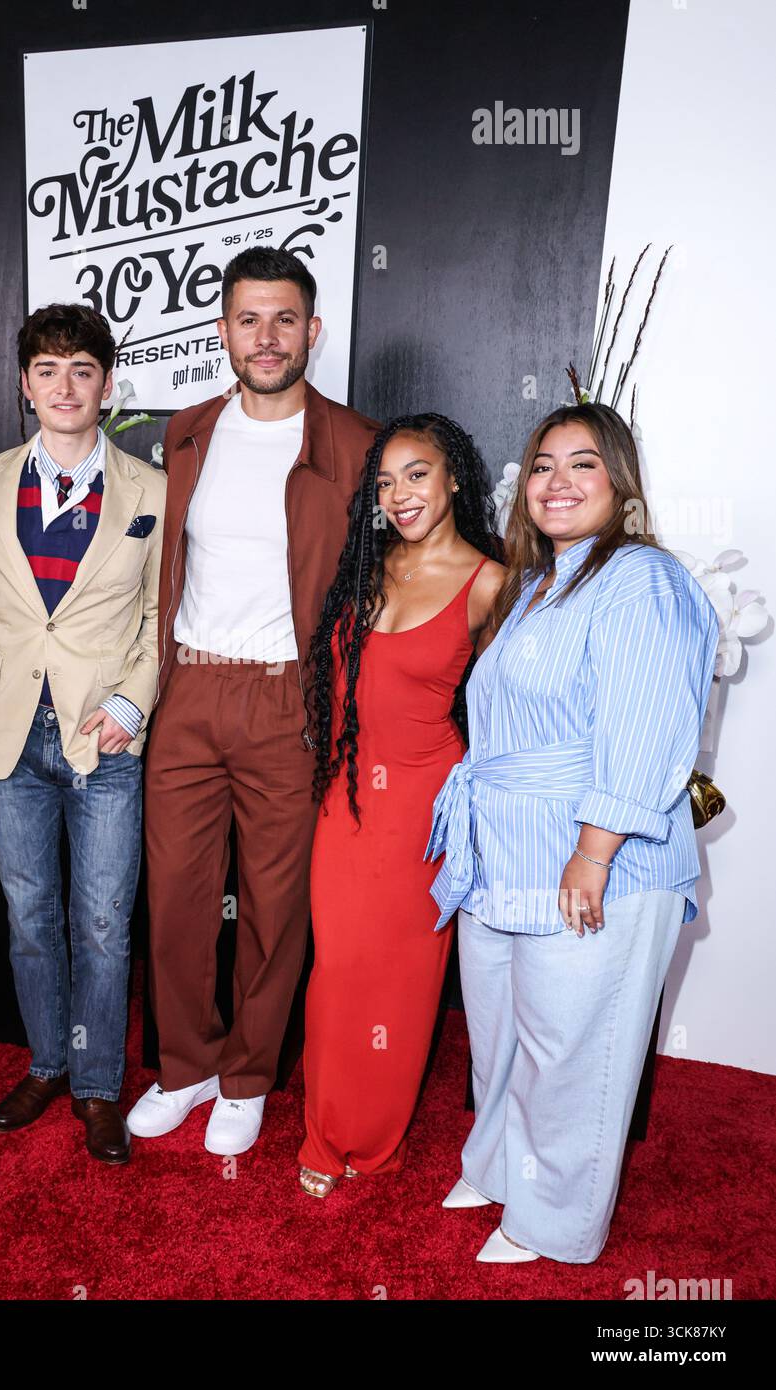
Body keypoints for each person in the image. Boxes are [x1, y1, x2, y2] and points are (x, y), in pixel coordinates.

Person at [426, 403, 719, 1263]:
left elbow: (645, 728)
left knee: (571, 1048)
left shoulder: (642, 579)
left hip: (595, 858)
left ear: (619, 484)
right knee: (503, 1033)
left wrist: (592, 854)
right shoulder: (536, 582)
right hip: (504, 852)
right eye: (542, 465)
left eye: (581, 464)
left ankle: (555, 1218)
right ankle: (497, 1166)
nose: (556, 482)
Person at [126, 247, 379, 1156]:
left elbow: (381, 589)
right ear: (221, 332)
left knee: (274, 905)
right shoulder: (185, 430)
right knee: (179, 898)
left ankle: (247, 1077)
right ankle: (184, 1066)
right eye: (247, 320)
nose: (265, 338)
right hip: (188, 690)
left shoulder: (355, 445)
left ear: (312, 331)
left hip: (286, 701)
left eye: (283, 321)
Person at [0, 304, 165, 1165]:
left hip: (105, 741)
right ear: (25, 385)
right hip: (9, 738)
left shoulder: (152, 492)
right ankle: (46, 1063)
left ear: (106, 384)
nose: (63, 385)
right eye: (46, 370)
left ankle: (95, 1088)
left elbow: (165, 613)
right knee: (28, 918)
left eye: (81, 370)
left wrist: (133, 704)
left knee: (101, 923)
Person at [297, 415, 505, 1197]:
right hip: (346, 800)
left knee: (402, 981)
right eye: (384, 481)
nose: (398, 494)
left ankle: (372, 1140)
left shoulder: (490, 582)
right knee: (337, 969)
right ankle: (325, 1126)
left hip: (423, 807)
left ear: (453, 477)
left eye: (416, 474)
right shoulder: (368, 563)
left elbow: (502, 710)